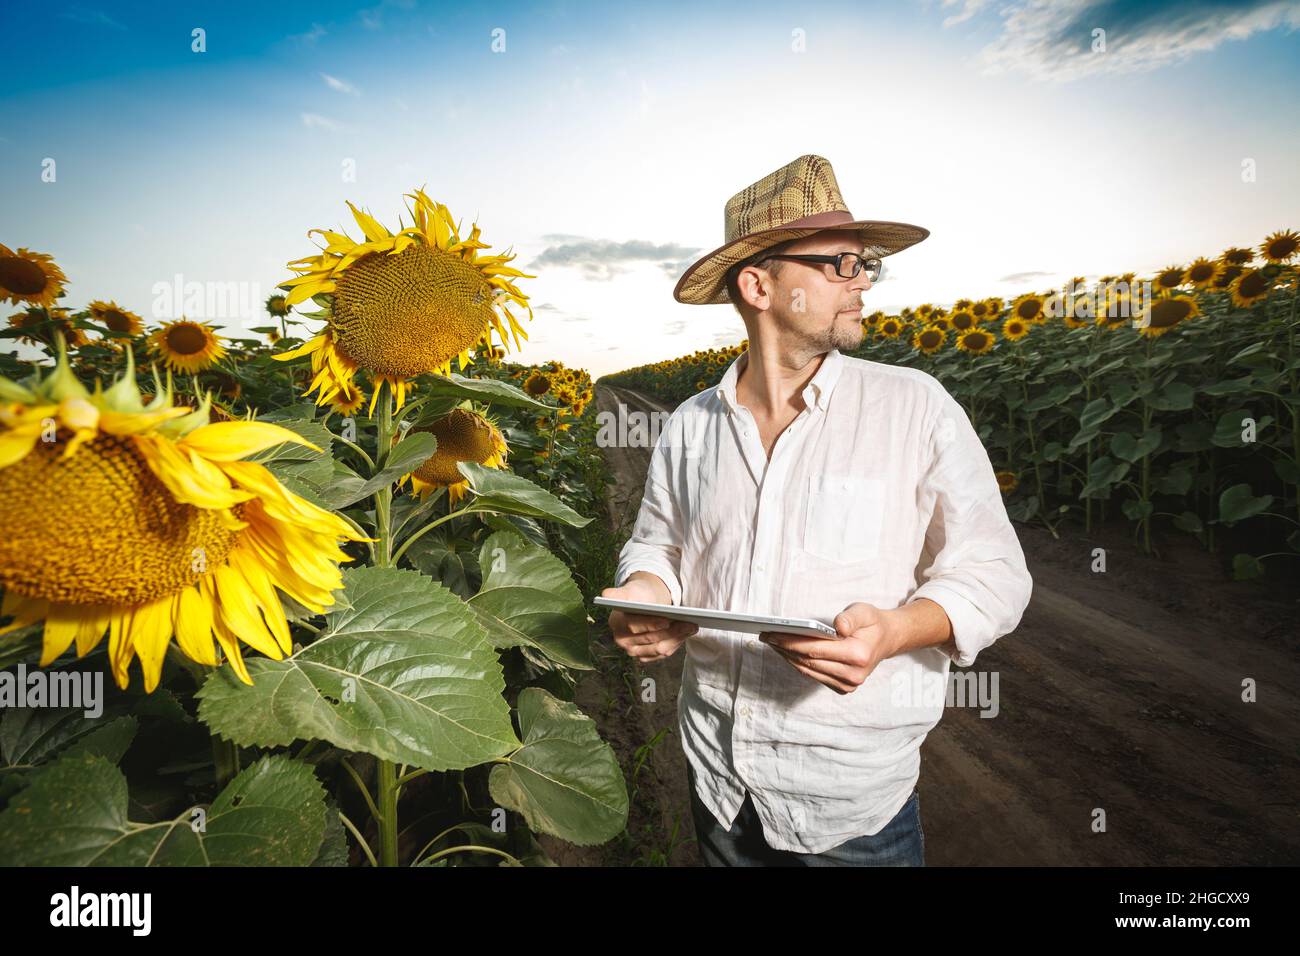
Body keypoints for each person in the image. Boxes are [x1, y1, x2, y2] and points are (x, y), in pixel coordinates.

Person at [600, 154, 1033, 866]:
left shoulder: (914, 407)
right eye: (839, 263)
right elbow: (661, 545)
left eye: (865, 265)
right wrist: (645, 594)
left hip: (850, 802)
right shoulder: (689, 424)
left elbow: (994, 573)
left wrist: (894, 631)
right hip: (718, 781)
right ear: (759, 284)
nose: (862, 281)